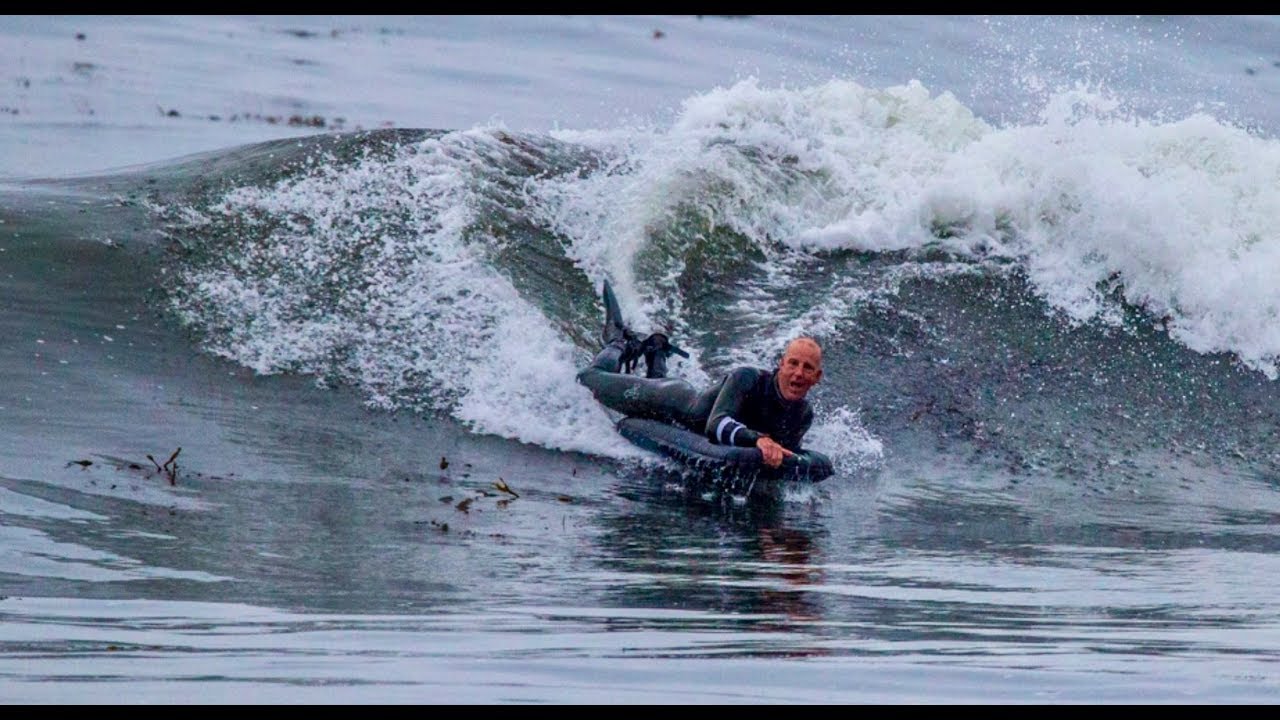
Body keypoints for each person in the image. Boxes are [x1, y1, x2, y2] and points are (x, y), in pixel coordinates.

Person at [577, 280, 823, 468]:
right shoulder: (747, 379)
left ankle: (656, 350)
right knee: (589, 379)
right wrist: (757, 439)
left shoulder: (802, 415)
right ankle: (620, 343)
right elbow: (716, 425)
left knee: (651, 377)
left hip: (684, 423)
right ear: (781, 365)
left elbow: (785, 458)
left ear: (816, 377)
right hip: (671, 401)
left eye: (807, 368)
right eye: (793, 364)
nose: (798, 373)